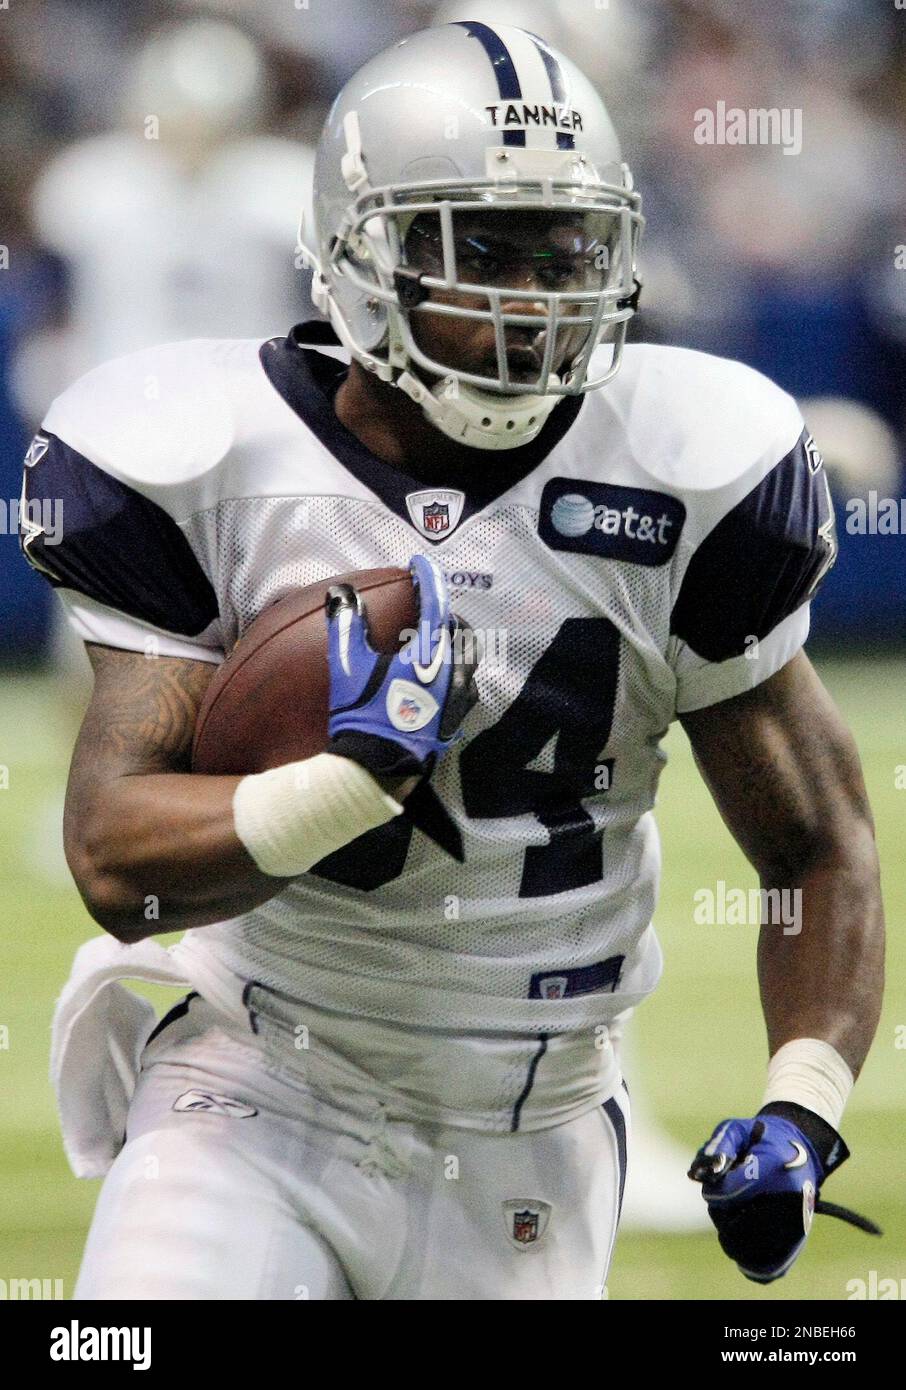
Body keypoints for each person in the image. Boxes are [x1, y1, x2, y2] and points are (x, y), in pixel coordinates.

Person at [22, 22, 883, 1300]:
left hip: (535, 1135)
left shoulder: (687, 465)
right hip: (257, 1090)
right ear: (361, 250)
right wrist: (349, 781)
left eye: (566, 254)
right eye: (483, 251)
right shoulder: (211, 460)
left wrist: (803, 1106)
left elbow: (816, 842)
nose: (531, 300)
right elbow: (113, 859)